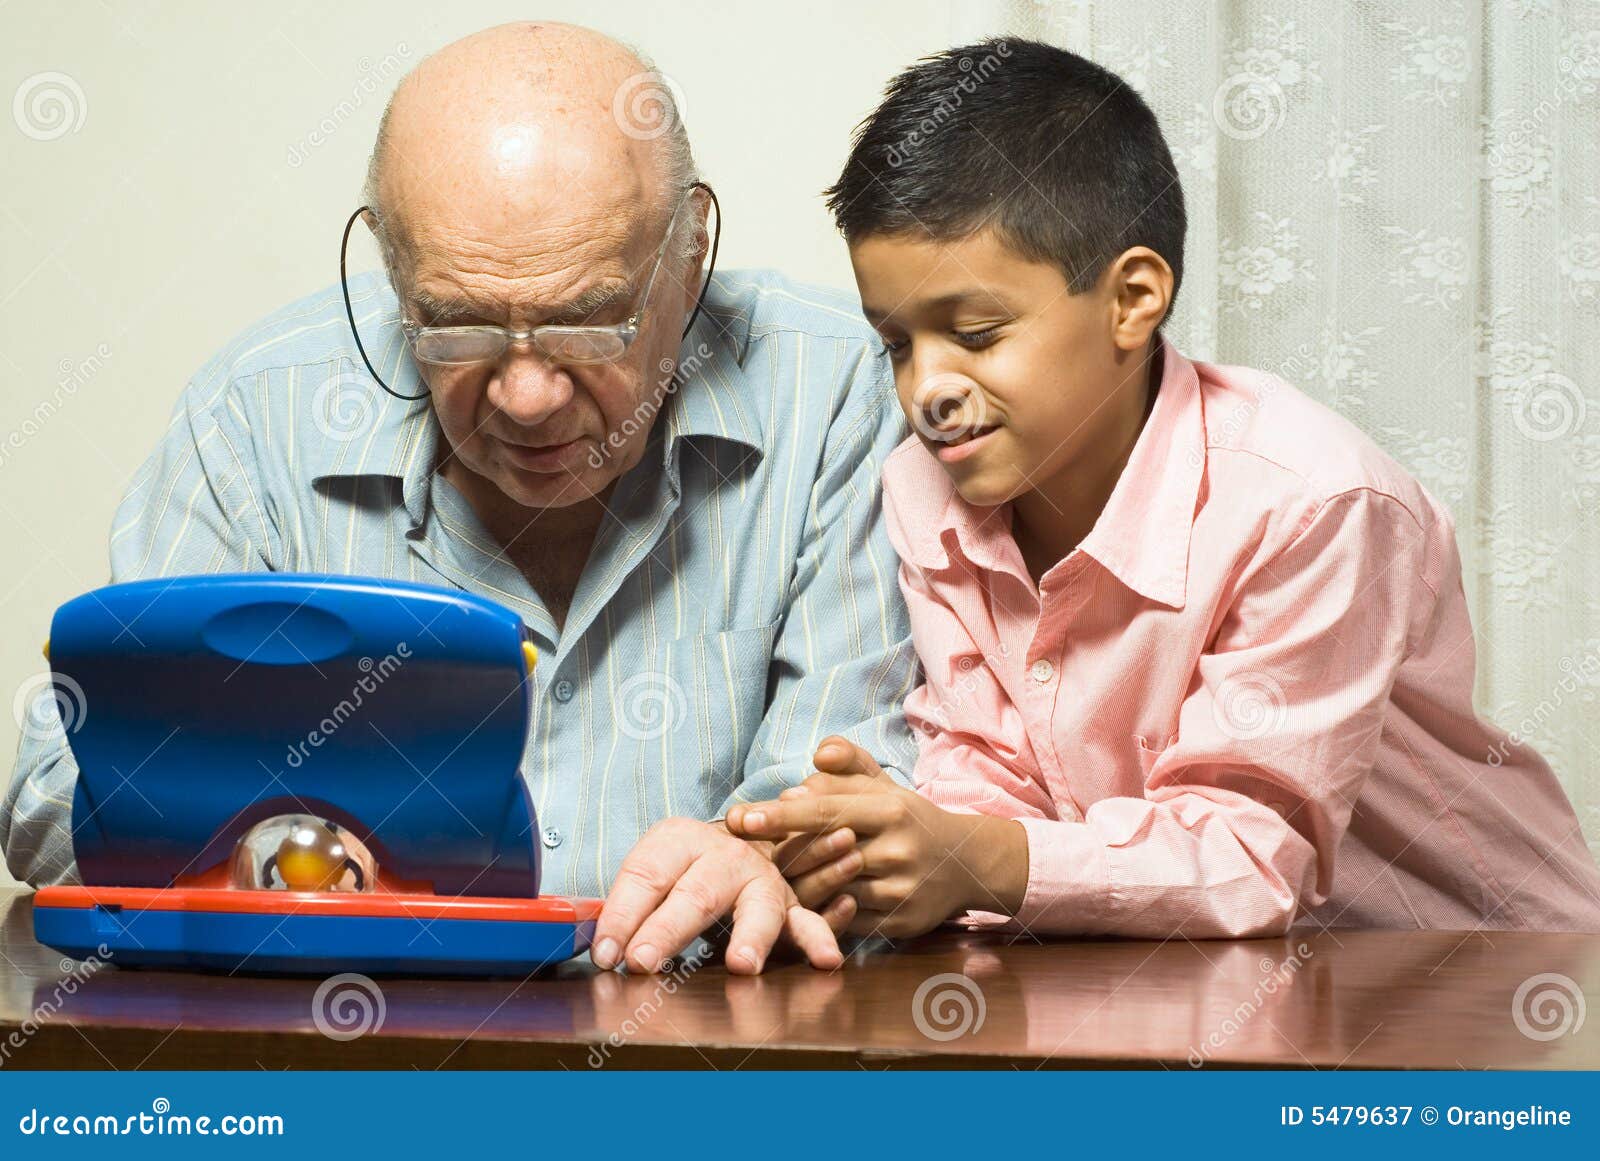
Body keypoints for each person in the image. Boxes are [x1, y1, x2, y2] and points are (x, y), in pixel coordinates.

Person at [2, 22, 918, 975]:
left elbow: (857, 782)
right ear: (391, 273)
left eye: (588, 319)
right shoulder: (258, 416)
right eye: (454, 324)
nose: (526, 397)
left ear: (689, 257)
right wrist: (263, 848)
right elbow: (56, 787)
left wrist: (762, 860)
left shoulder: (833, 393)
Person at [729, 39, 1600, 938]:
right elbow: (979, 781)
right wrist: (885, 845)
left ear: (1133, 298)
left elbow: (1248, 856)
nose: (926, 389)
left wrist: (972, 857)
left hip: (1483, 980)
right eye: (897, 343)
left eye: (979, 333)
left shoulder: (1316, 504)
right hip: (1189, 982)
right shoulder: (926, 490)